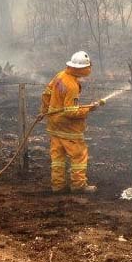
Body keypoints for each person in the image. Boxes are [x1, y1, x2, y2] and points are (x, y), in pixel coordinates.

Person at [40, 51, 103, 194]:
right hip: (68, 128)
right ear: (81, 68)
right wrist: (89, 109)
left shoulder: (60, 76)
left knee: (58, 157)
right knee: (79, 155)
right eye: (88, 67)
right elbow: (71, 112)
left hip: (54, 124)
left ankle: (58, 185)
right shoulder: (72, 86)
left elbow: (46, 94)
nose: (89, 69)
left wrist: (44, 111)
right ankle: (78, 185)